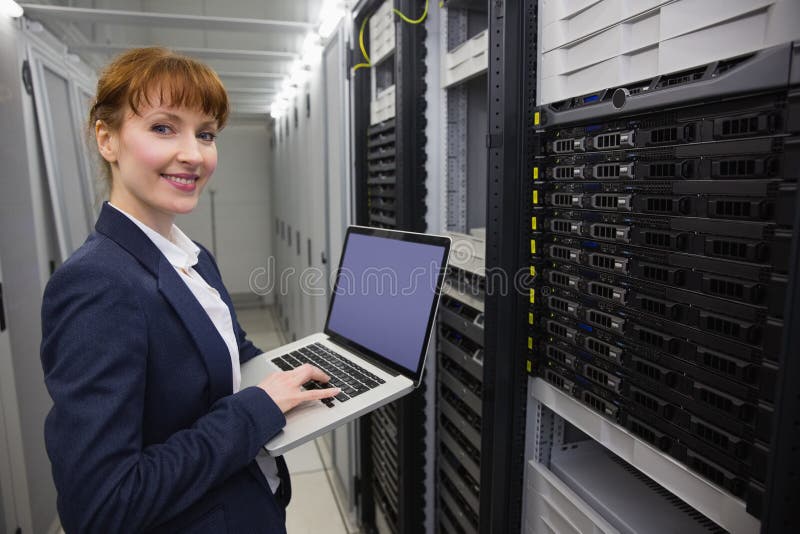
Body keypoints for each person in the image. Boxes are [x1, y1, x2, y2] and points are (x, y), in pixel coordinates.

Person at [39, 47, 340, 534]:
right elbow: (101, 507)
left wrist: (298, 375)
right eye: (163, 128)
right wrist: (259, 410)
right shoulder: (97, 284)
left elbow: (229, 352)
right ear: (107, 139)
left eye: (205, 134)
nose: (194, 154)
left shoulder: (189, 254)